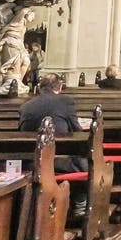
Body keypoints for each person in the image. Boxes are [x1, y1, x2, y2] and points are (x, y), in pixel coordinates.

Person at [19, 73, 88, 215]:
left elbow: (21, 131)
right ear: (60, 87)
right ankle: (79, 205)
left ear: (40, 88)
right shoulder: (65, 101)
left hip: (31, 161)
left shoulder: (26, 106)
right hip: (58, 160)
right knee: (85, 159)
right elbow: (78, 131)